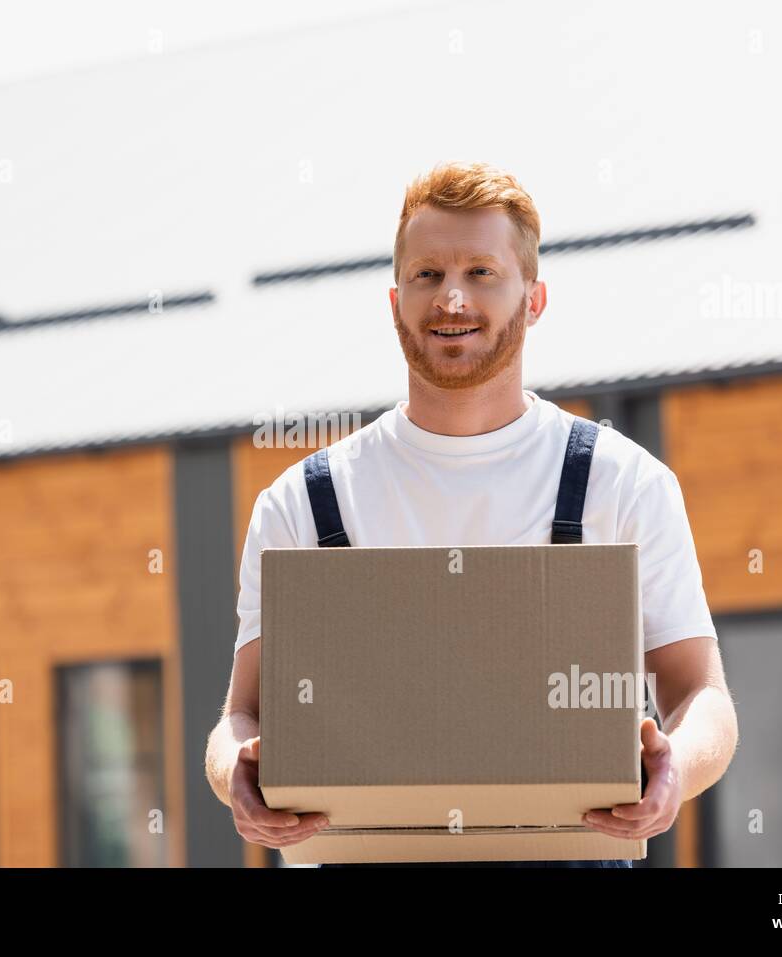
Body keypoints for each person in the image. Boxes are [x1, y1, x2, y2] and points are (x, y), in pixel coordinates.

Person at [204, 160, 738, 867]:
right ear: (395, 300)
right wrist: (231, 773)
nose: (451, 298)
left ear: (535, 297)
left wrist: (678, 766)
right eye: (427, 275)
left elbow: (703, 693)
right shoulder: (303, 501)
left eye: (481, 273)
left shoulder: (624, 484)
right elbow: (240, 714)